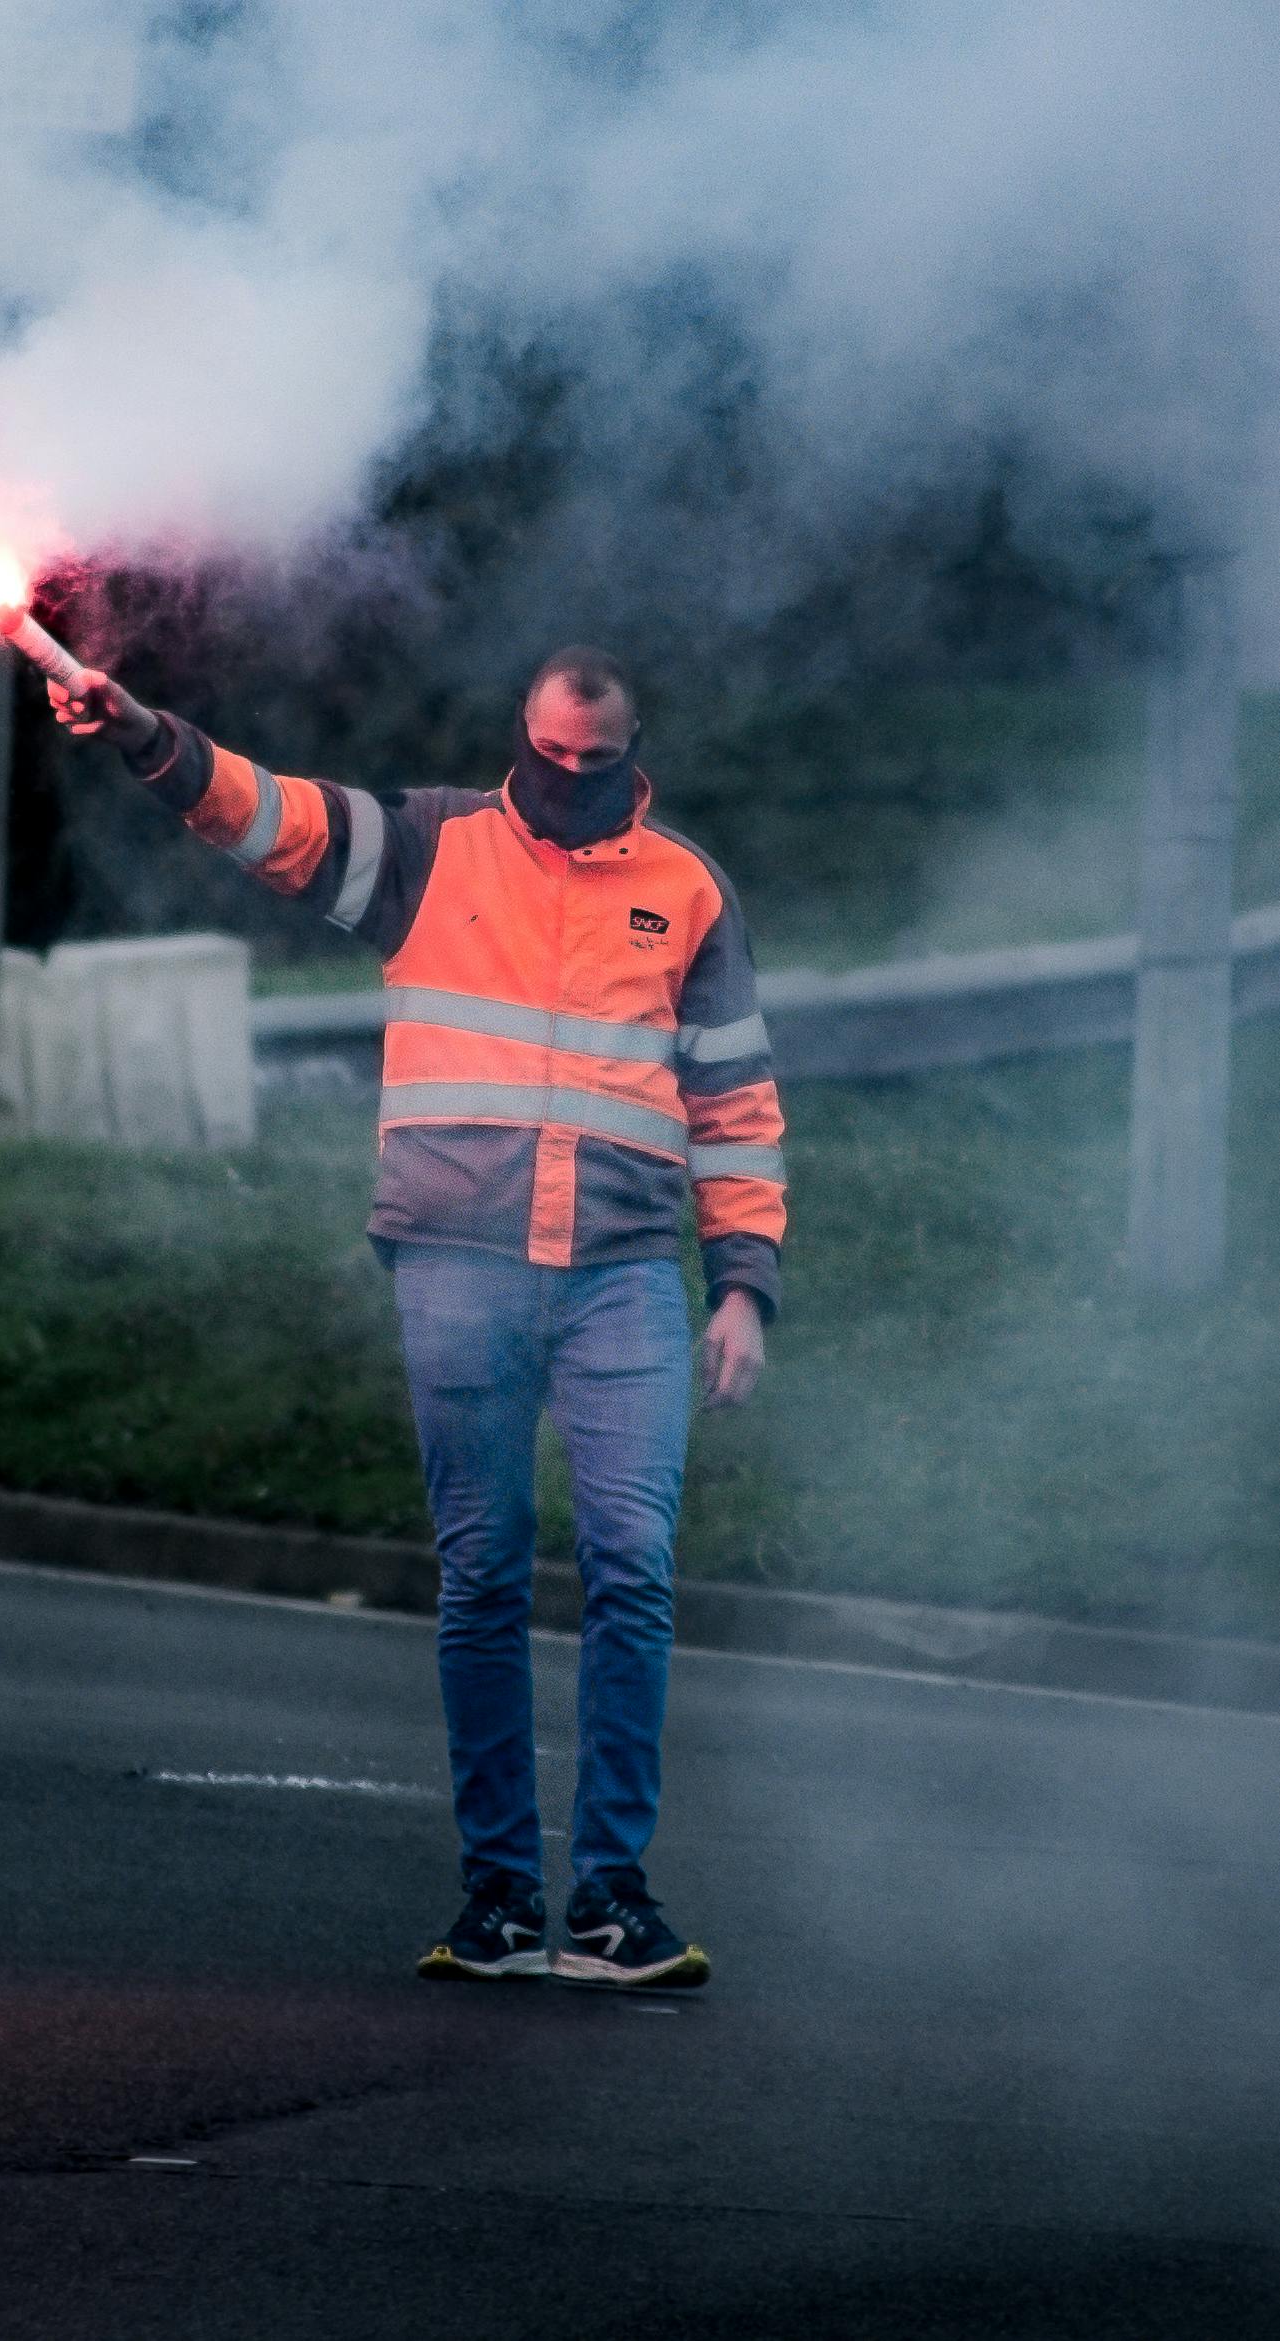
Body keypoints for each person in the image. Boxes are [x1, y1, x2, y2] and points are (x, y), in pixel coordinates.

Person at [48, 645, 786, 1989]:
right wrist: (144, 729)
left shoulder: (686, 888)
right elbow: (266, 813)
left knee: (633, 1568)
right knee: (484, 1573)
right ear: (522, 735)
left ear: (632, 750)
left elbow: (734, 1105)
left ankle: (610, 1900)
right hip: (458, 1260)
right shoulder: (431, 845)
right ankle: (500, 1897)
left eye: (595, 760)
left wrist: (742, 1284)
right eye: (550, 754)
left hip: (623, 1272)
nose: (570, 776)